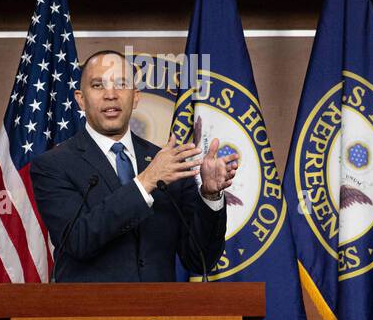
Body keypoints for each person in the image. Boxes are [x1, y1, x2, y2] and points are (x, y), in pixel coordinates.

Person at [29, 49, 238, 283]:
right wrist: (145, 182)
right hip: (89, 316)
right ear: (80, 99)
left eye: (121, 84)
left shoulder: (168, 163)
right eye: (98, 85)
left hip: (159, 316)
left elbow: (200, 260)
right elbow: (78, 240)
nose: (111, 95)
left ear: (136, 97)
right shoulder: (52, 165)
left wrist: (210, 196)